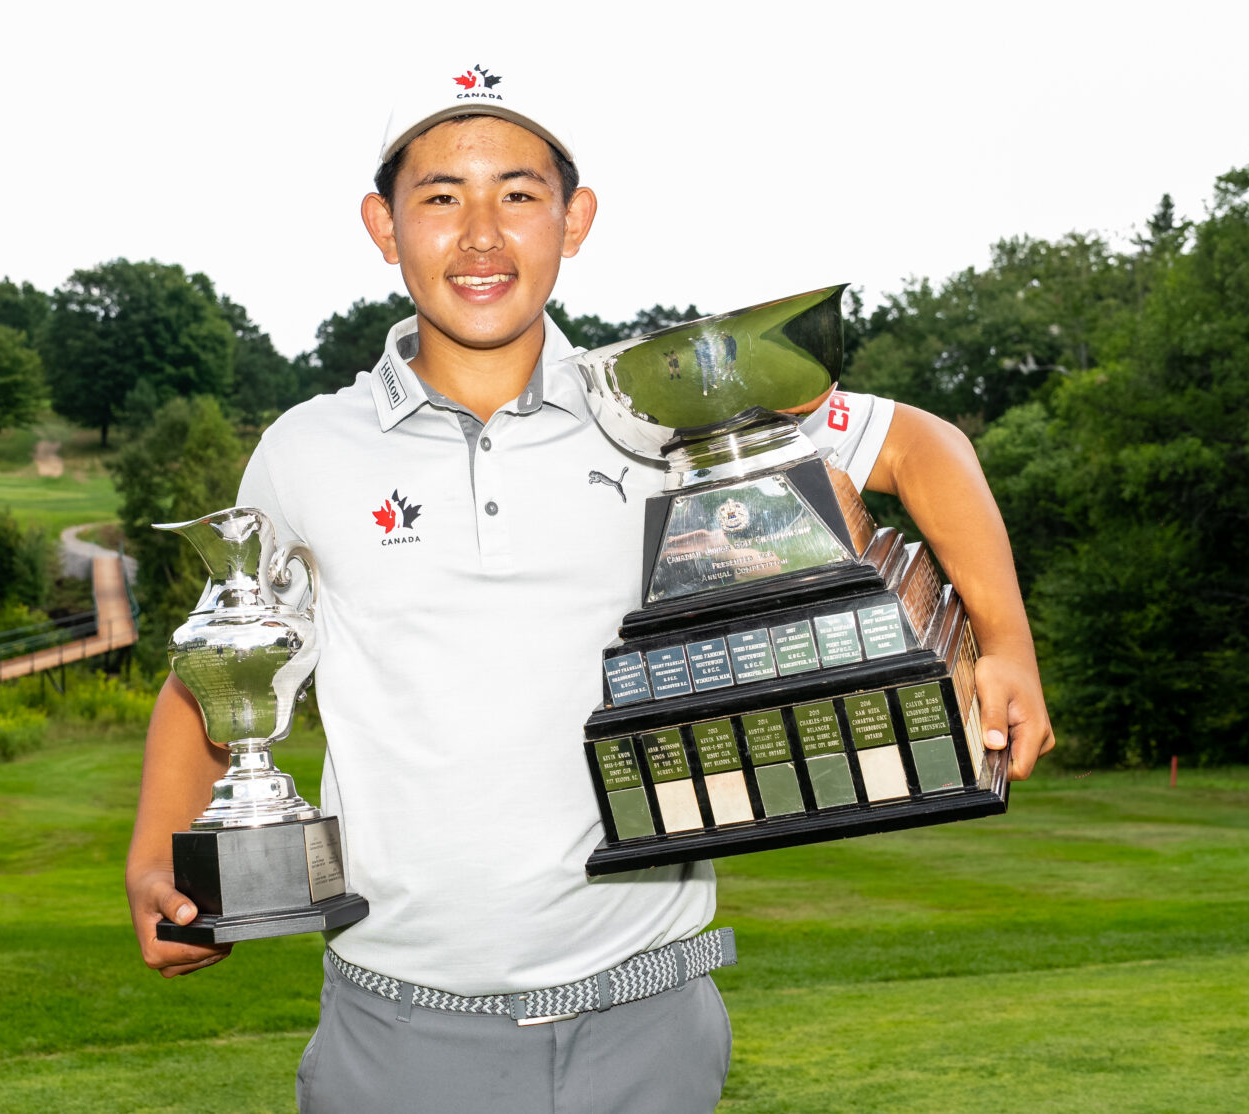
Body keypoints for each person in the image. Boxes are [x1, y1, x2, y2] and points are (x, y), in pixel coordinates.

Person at [126, 67, 1056, 1113]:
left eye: (519, 194)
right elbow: (221, 669)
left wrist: (1005, 645)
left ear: (576, 220)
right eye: (441, 197)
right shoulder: (305, 451)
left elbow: (925, 449)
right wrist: (157, 858)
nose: (482, 234)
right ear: (382, 227)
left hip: (646, 1021)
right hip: (394, 1027)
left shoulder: (661, 397)